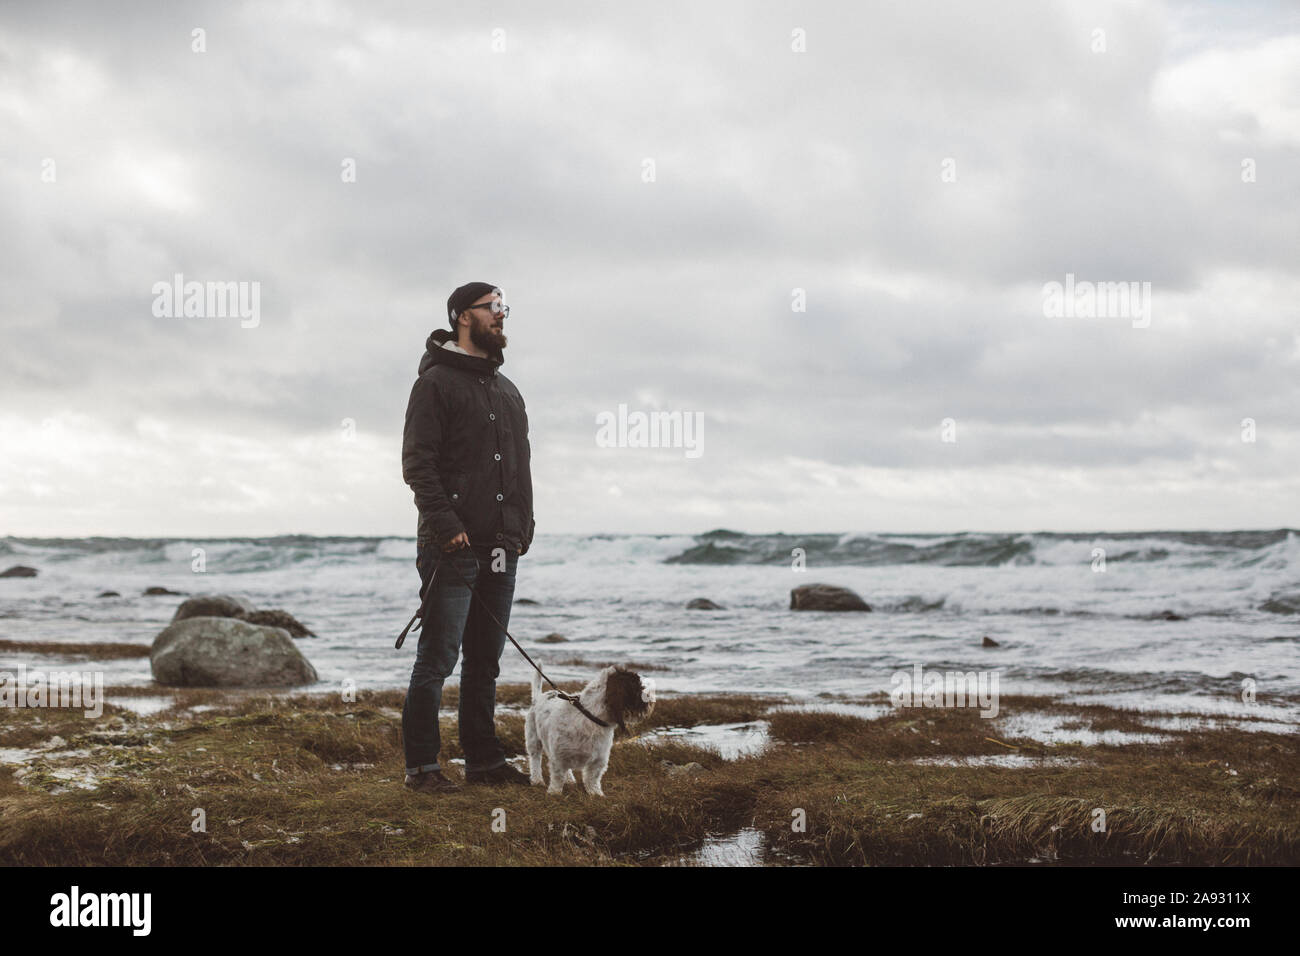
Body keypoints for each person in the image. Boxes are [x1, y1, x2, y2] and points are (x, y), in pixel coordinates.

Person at [400, 281, 535, 793]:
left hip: (502, 547)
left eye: (505, 308)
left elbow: (521, 468)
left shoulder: (507, 390)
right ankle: (423, 769)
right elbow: (419, 465)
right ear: (463, 316)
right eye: (493, 308)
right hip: (451, 546)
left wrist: (523, 528)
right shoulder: (435, 384)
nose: (502, 316)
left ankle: (484, 762)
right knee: (437, 658)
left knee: (485, 660)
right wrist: (447, 527)